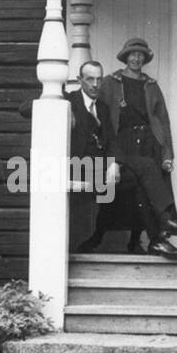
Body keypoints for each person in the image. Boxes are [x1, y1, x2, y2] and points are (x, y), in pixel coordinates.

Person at [97, 37, 177, 260]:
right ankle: (108, 237)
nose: (136, 58)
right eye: (132, 54)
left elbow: (163, 121)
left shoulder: (151, 84)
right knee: (130, 191)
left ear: (145, 59)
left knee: (150, 188)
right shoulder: (111, 82)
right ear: (125, 57)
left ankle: (151, 239)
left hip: (150, 142)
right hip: (123, 142)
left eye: (140, 55)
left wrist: (167, 154)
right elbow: (100, 113)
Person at [18, 60, 113, 251]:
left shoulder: (102, 108)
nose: (95, 84)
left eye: (99, 79)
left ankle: (158, 235)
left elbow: (111, 141)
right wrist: (54, 102)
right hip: (79, 168)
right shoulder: (69, 100)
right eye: (90, 79)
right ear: (79, 80)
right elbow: (24, 109)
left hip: (102, 168)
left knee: (141, 170)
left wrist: (115, 164)